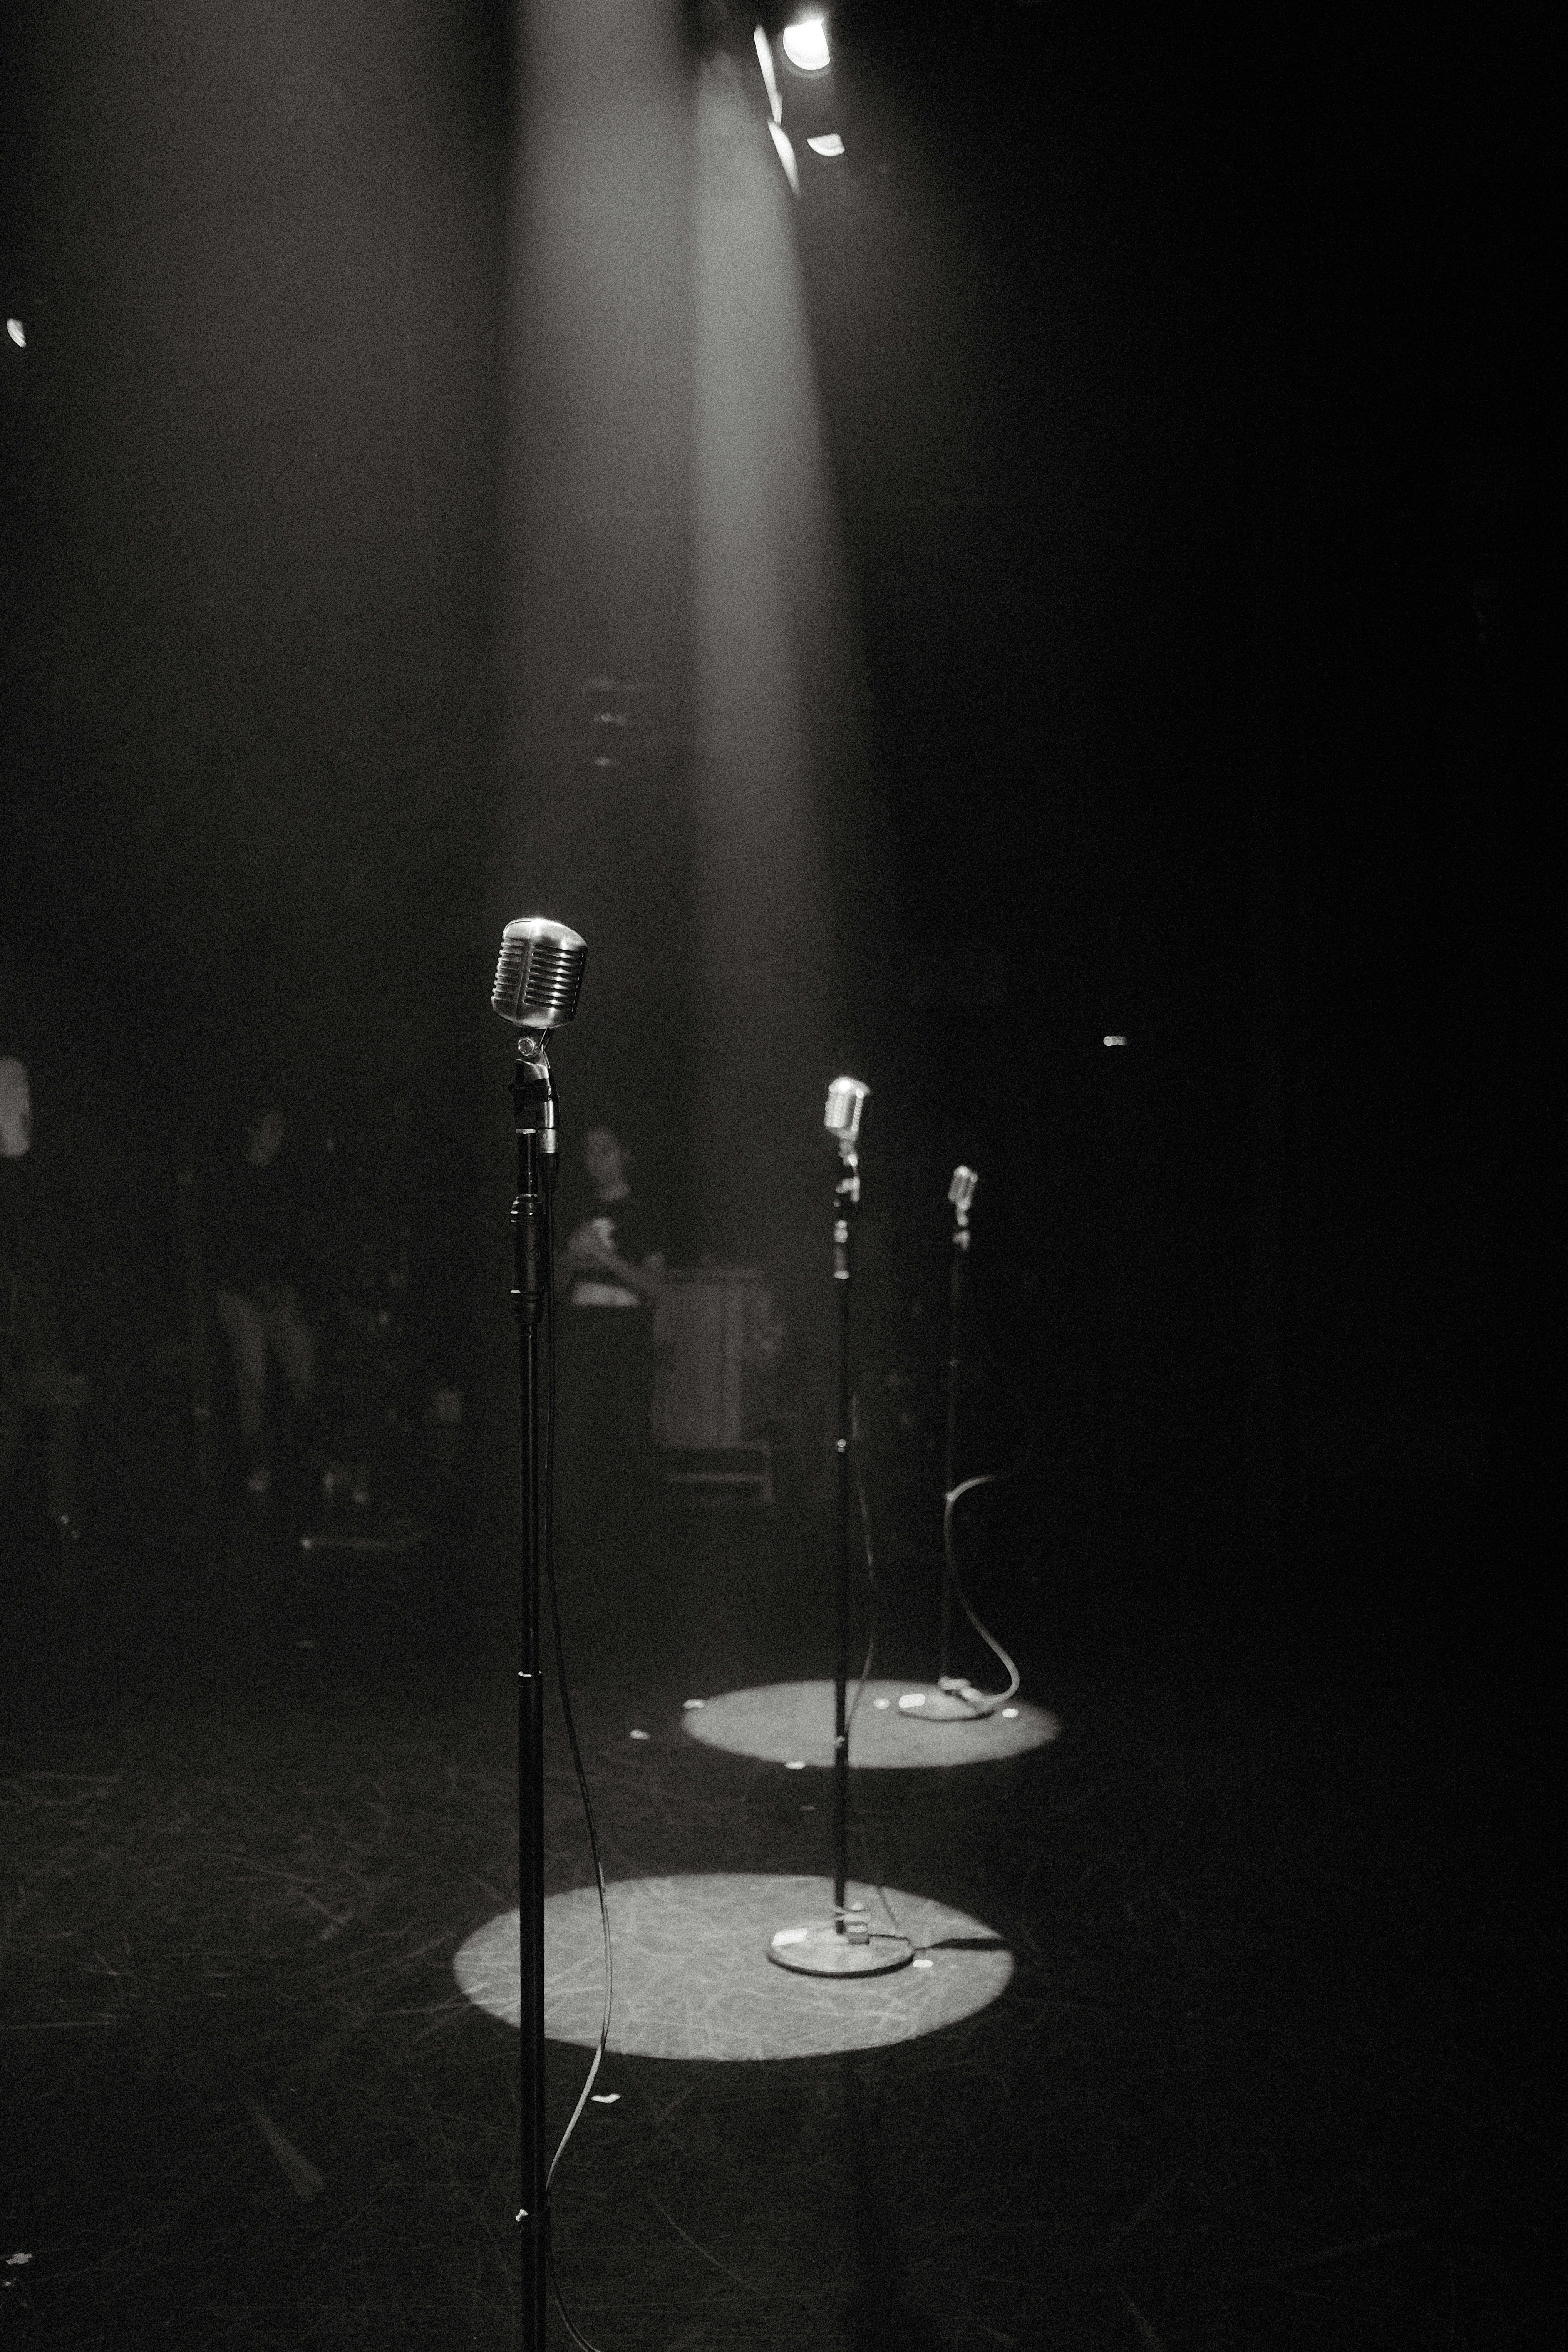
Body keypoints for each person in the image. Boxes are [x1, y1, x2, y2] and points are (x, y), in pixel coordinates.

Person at [552, 1124, 665, 1638]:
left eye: (604, 1151)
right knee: (573, 1437)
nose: (595, 1161)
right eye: (588, 1152)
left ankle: (644, 1549)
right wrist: (572, 1261)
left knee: (632, 1436)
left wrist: (604, 1259)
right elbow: (556, 1286)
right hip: (583, 1330)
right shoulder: (576, 1213)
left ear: (624, 1154)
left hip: (624, 1333)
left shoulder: (644, 1212)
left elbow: (653, 1288)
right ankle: (571, 1550)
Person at [206, 1104, 315, 1502]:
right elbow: (228, 1248)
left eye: (282, 1125)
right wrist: (257, 1289)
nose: (280, 1132)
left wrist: (289, 1287)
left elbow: (292, 1243)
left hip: (277, 1286)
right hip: (239, 1289)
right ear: (253, 1131)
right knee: (253, 1373)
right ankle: (258, 1464)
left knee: (302, 1368)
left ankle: (306, 1458)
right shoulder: (231, 1180)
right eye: (272, 1125)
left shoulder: (284, 1182)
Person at [0, 1056, 87, 1555]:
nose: (25, 1100)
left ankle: (62, 1513)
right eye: (16, 1090)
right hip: (12, 1331)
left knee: (62, 1396)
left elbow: (54, 1255)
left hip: (35, 1324)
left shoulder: (40, 1172)